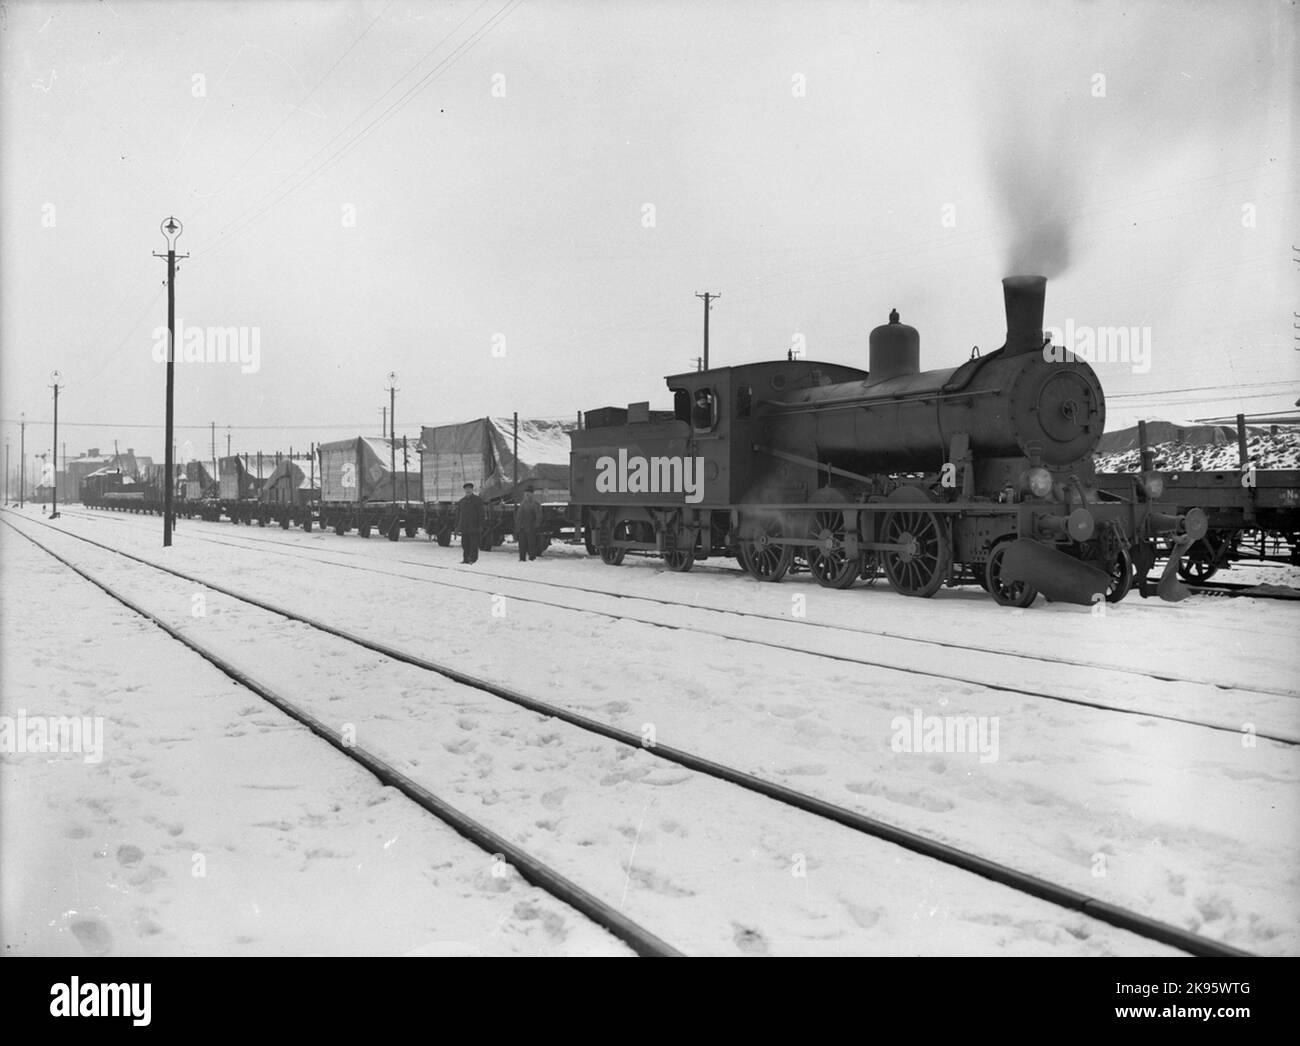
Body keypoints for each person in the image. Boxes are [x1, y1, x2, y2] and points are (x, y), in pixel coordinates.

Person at [455, 482, 484, 564]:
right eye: (466, 489)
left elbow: (481, 514)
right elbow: (459, 515)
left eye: (469, 489)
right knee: (465, 544)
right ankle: (465, 558)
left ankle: (472, 559)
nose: (468, 490)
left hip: (474, 526)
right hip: (464, 527)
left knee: (473, 544)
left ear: (472, 490)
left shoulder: (477, 500)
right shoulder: (462, 501)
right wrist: (457, 526)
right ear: (464, 490)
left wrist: (480, 525)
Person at [516, 486, 543, 561]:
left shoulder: (535, 503)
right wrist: (518, 525)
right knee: (522, 544)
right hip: (522, 527)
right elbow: (519, 515)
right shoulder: (523, 503)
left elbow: (539, 515)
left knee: (531, 544)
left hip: (531, 527)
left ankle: (532, 558)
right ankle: (522, 558)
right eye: (525, 493)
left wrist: (536, 525)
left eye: (528, 493)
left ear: (532, 494)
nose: (526, 495)